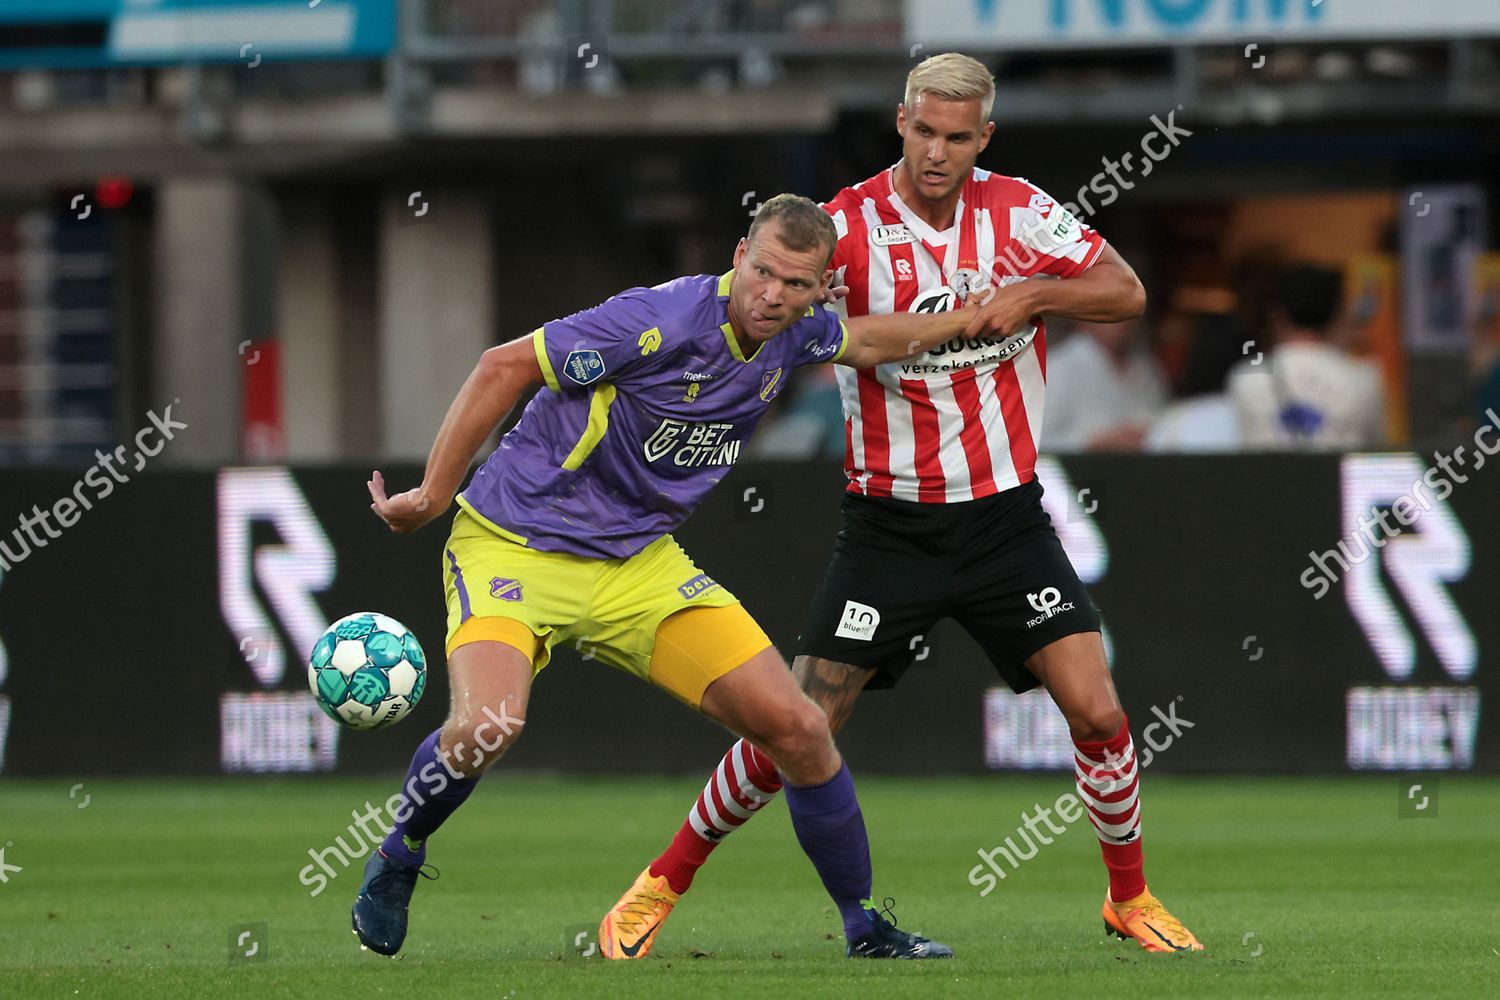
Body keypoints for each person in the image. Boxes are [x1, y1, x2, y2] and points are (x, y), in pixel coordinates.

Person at [601, 53, 1204, 958]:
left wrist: (1035, 292)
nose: (937, 152)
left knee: (1100, 713)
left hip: (1006, 520)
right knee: (795, 726)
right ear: (902, 122)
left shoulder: (1020, 211)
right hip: (888, 525)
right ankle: (657, 886)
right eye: (924, 131)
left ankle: (1131, 897)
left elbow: (1126, 290)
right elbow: (762, 307)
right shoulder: (843, 229)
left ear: (982, 139)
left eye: (958, 138)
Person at [353, 194, 1004, 961]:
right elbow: (503, 365)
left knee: (799, 728)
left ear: (816, 286)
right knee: (488, 726)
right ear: (739, 256)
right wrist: (431, 494)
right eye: (764, 273)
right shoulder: (651, 321)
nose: (774, 295)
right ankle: (399, 853)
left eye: (798, 285)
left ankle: (864, 926)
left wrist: (965, 322)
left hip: (639, 564)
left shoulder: (795, 332)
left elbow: (864, 339)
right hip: (515, 545)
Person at [1228, 263, 1386, 450]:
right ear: (1337, 315)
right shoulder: (1363, 379)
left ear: (1277, 315)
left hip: (1266, 479)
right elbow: (1376, 453)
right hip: (1333, 479)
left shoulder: (1244, 378)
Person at [1042, 319, 1168, 452]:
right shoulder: (1057, 368)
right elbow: (1035, 445)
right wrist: (1094, 443)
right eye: (1113, 308)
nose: (1122, 320)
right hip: (1083, 470)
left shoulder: (1145, 365)